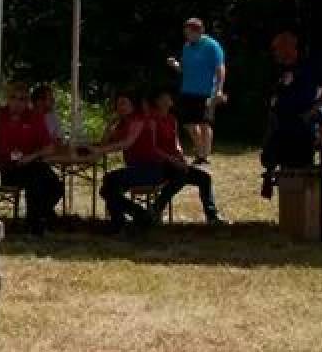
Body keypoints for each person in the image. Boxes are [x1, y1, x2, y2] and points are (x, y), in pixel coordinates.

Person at [260, 30, 322, 198]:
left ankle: (304, 202)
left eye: (277, 48)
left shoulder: (309, 65)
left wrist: (315, 107)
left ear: (289, 47)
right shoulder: (274, 67)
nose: (274, 52)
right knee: (277, 159)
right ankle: (287, 200)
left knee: (302, 163)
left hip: (302, 120)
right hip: (279, 121)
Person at [143, 88, 224, 224]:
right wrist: (173, 161)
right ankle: (156, 209)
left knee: (204, 178)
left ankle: (212, 216)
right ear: (157, 101)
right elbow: (153, 147)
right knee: (180, 176)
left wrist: (181, 157)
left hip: (174, 163)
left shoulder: (172, 118)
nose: (169, 100)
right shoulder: (152, 120)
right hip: (158, 163)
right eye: (165, 97)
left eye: (169, 97)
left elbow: (176, 142)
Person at [0, 81, 64, 233]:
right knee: (37, 178)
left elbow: (49, 147)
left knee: (54, 186)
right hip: (2, 166)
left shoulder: (34, 117)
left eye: (22, 99)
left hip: (28, 164)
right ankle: (36, 222)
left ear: (27, 101)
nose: (17, 103)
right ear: (8, 99)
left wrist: (31, 156)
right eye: (13, 98)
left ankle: (38, 216)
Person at [91, 94, 159, 231]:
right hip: (136, 169)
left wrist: (100, 150)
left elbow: (127, 143)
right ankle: (134, 217)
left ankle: (128, 218)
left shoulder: (138, 120)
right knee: (109, 188)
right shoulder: (122, 123)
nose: (120, 107)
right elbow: (105, 142)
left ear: (133, 105)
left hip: (151, 169)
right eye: (118, 104)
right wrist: (110, 124)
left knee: (109, 182)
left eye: (124, 103)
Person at [167, 17, 226, 164]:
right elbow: (184, 69)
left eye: (189, 33)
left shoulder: (212, 45)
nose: (187, 36)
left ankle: (203, 156)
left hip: (207, 91)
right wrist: (175, 65)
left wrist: (219, 90)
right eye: (186, 33)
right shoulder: (187, 46)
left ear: (199, 31)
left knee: (205, 123)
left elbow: (220, 69)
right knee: (189, 124)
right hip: (188, 90)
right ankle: (200, 150)